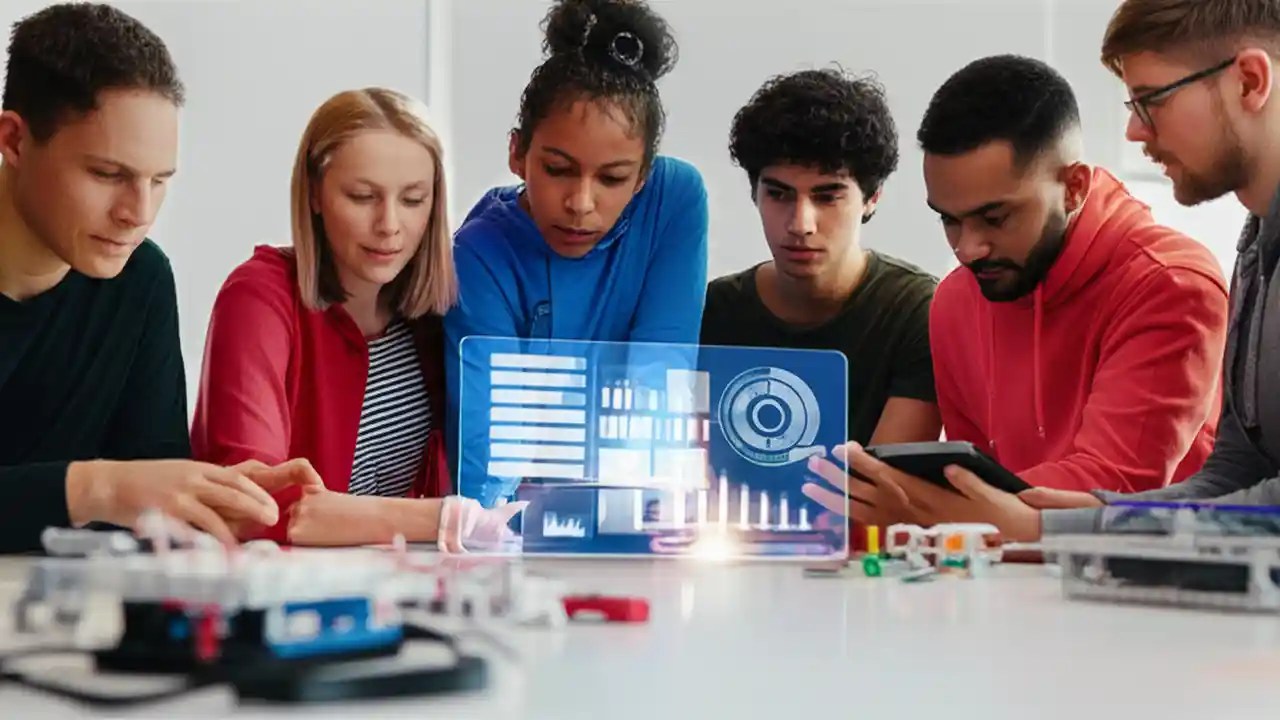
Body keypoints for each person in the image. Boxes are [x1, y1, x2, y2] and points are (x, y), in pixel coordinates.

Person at [803, 54, 1231, 525]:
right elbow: (973, 475)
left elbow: (1115, 486)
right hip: (1004, 580)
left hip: (1147, 589)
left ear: (1073, 187)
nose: (967, 249)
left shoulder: (1172, 284)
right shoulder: (954, 300)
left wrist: (924, 508)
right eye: (949, 218)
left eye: (995, 218)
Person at [0, 3, 319, 554]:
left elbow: (148, 492)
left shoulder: (140, 277)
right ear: (14, 141)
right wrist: (96, 486)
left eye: (159, 180)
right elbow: (116, 492)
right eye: (107, 175)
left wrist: (207, 502)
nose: (138, 212)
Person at [191, 88, 523, 550]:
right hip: (285, 594)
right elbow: (250, 503)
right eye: (363, 196)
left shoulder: (435, 318)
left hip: (406, 587)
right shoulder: (258, 298)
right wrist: (445, 518)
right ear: (314, 193)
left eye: (413, 200)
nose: (389, 224)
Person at [444, 0, 709, 504]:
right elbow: (490, 436)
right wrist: (486, 530)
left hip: (635, 495)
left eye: (612, 178)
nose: (580, 204)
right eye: (558, 169)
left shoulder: (674, 199)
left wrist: (639, 511)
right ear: (518, 153)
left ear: (643, 177)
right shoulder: (478, 252)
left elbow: (661, 366)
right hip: (524, 514)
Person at [702, 68, 940, 447]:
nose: (801, 224)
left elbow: (885, 491)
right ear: (754, 193)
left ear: (872, 197)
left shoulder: (917, 312)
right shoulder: (712, 312)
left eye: (828, 196)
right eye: (778, 194)